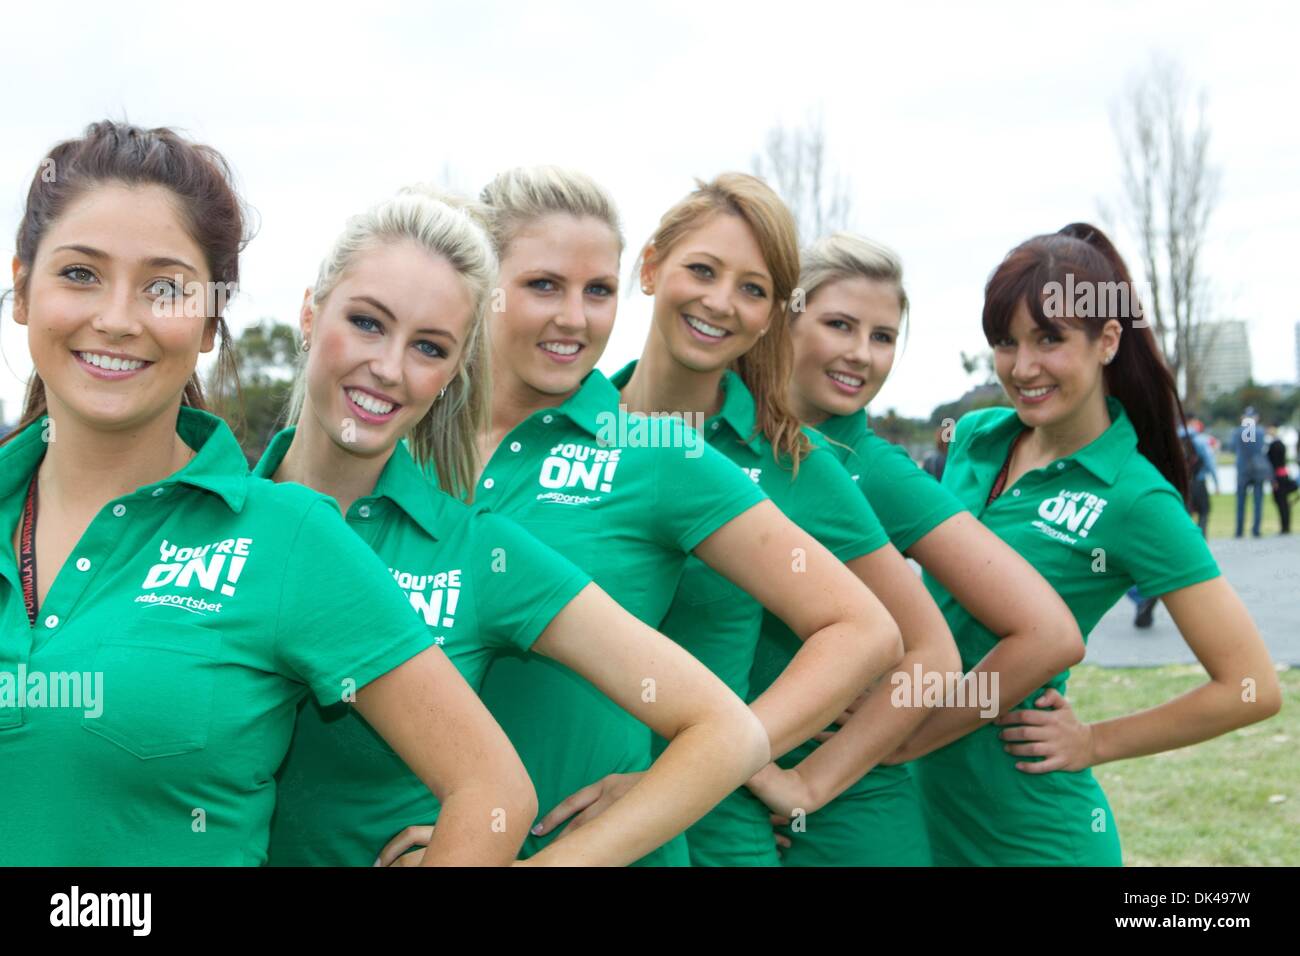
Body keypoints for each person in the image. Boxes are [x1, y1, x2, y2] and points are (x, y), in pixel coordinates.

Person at [0, 121, 534, 865]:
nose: (116, 319)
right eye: (81, 274)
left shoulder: (286, 538)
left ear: (211, 322)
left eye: (163, 287)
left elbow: (493, 790)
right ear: (23, 289)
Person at [258, 185, 769, 867]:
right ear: (309, 313)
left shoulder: (476, 550)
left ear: (454, 375)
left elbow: (726, 731)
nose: (387, 368)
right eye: (368, 323)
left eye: (431, 348)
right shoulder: (199, 521)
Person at [469, 167, 902, 866]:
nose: (574, 318)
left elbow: (865, 631)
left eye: (596, 292)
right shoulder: (412, 447)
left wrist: (725, 768)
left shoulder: (660, 451)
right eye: (543, 285)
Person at [596, 174, 944, 867]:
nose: (721, 303)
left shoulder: (793, 462)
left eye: (753, 289)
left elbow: (927, 655)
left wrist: (800, 779)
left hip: (715, 838)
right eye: (702, 270)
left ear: (771, 315)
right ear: (651, 266)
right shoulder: (566, 432)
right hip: (566, 820)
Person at [907, 222, 1281, 865]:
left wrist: (1094, 741)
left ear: (1107, 339)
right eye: (1005, 342)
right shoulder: (973, 438)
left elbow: (1251, 687)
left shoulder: (1136, 498)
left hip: (1031, 834)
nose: (1022, 368)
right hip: (918, 807)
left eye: (1049, 339)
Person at [761, 231, 1081, 866]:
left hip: (845, 818)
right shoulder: (717, 443)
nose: (862, 355)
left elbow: (1048, 633)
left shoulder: (874, 471)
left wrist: (899, 742)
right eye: (839, 325)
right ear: (784, 323)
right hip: (718, 798)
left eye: (882, 337)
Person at [1232, 406, 1271, 537]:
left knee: (1241, 502)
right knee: (1258, 501)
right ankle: (1256, 529)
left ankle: (1239, 530)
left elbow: (1232, 448)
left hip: (1242, 469)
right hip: (1257, 469)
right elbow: (1262, 449)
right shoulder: (1260, 431)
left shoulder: (1237, 431)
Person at [1266, 424, 1293, 534]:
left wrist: (1273, 480)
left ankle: (1284, 526)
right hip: (1284, 474)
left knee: (1281, 502)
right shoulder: (1281, 444)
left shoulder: (1273, 445)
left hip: (1278, 476)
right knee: (1284, 502)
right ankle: (1286, 525)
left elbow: (1273, 463)